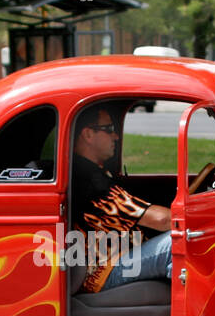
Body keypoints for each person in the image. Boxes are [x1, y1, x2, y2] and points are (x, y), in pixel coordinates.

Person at [71, 106, 172, 293]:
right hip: (101, 271)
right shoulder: (88, 179)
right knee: (177, 244)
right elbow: (162, 220)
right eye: (109, 129)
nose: (116, 136)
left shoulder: (91, 172)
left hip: (116, 257)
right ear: (88, 135)